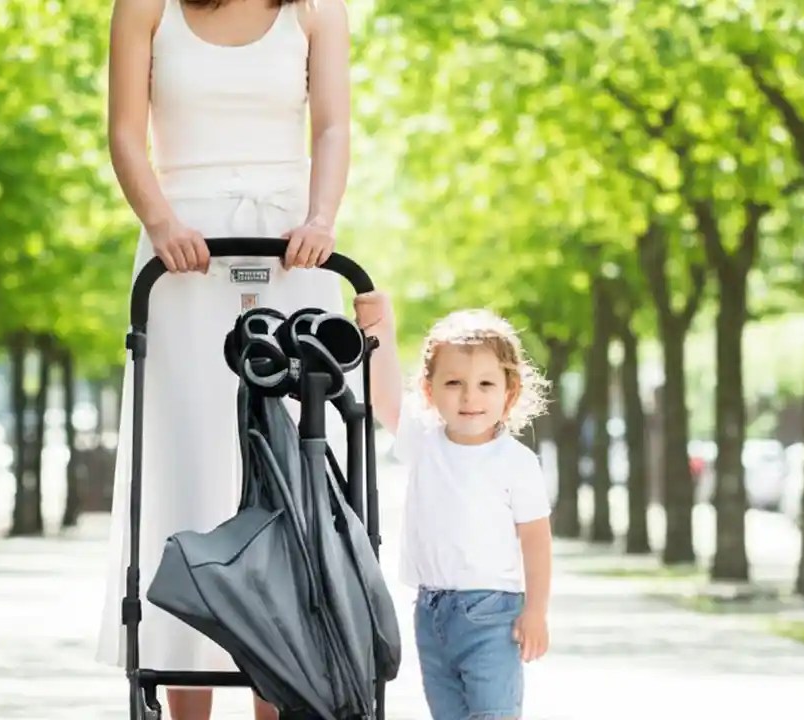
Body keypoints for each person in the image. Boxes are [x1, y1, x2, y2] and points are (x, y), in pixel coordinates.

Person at [94, 1, 353, 719]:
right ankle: (187, 702)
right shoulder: (146, 7)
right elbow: (124, 132)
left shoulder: (314, 12)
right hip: (183, 254)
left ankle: (284, 688)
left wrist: (322, 217)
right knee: (194, 472)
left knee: (284, 468)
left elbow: (332, 125)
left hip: (291, 242)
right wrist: (161, 223)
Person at [353, 291, 554, 720]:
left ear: (509, 392)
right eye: (453, 383)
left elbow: (536, 540)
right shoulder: (425, 442)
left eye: (485, 384)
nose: (469, 397)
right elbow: (385, 398)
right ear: (429, 390)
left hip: (492, 617)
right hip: (432, 613)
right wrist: (380, 331)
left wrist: (536, 610)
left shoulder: (515, 462)